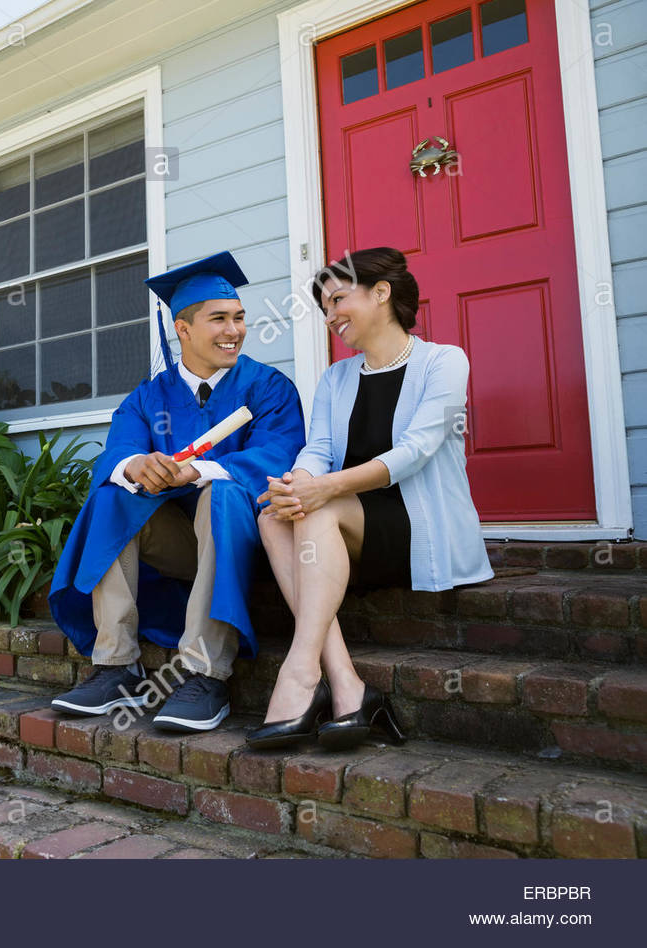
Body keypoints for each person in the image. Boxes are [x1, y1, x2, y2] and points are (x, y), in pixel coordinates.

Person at [47, 251, 306, 732]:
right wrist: (137, 465)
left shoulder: (268, 387)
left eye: (239, 318)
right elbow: (117, 451)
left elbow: (280, 456)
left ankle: (206, 673)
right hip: (182, 550)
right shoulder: (149, 397)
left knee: (222, 493)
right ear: (183, 329)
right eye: (219, 319)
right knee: (114, 493)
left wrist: (201, 470)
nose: (234, 330)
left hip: (246, 543)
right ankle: (116, 665)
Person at [248, 246, 493, 750]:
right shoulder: (337, 378)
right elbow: (317, 450)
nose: (331, 317)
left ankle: (299, 673)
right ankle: (347, 684)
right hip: (355, 528)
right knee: (275, 516)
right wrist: (296, 484)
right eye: (324, 308)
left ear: (381, 293)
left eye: (338, 300)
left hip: (420, 526)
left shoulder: (443, 362)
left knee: (317, 509)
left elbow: (418, 449)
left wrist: (325, 489)